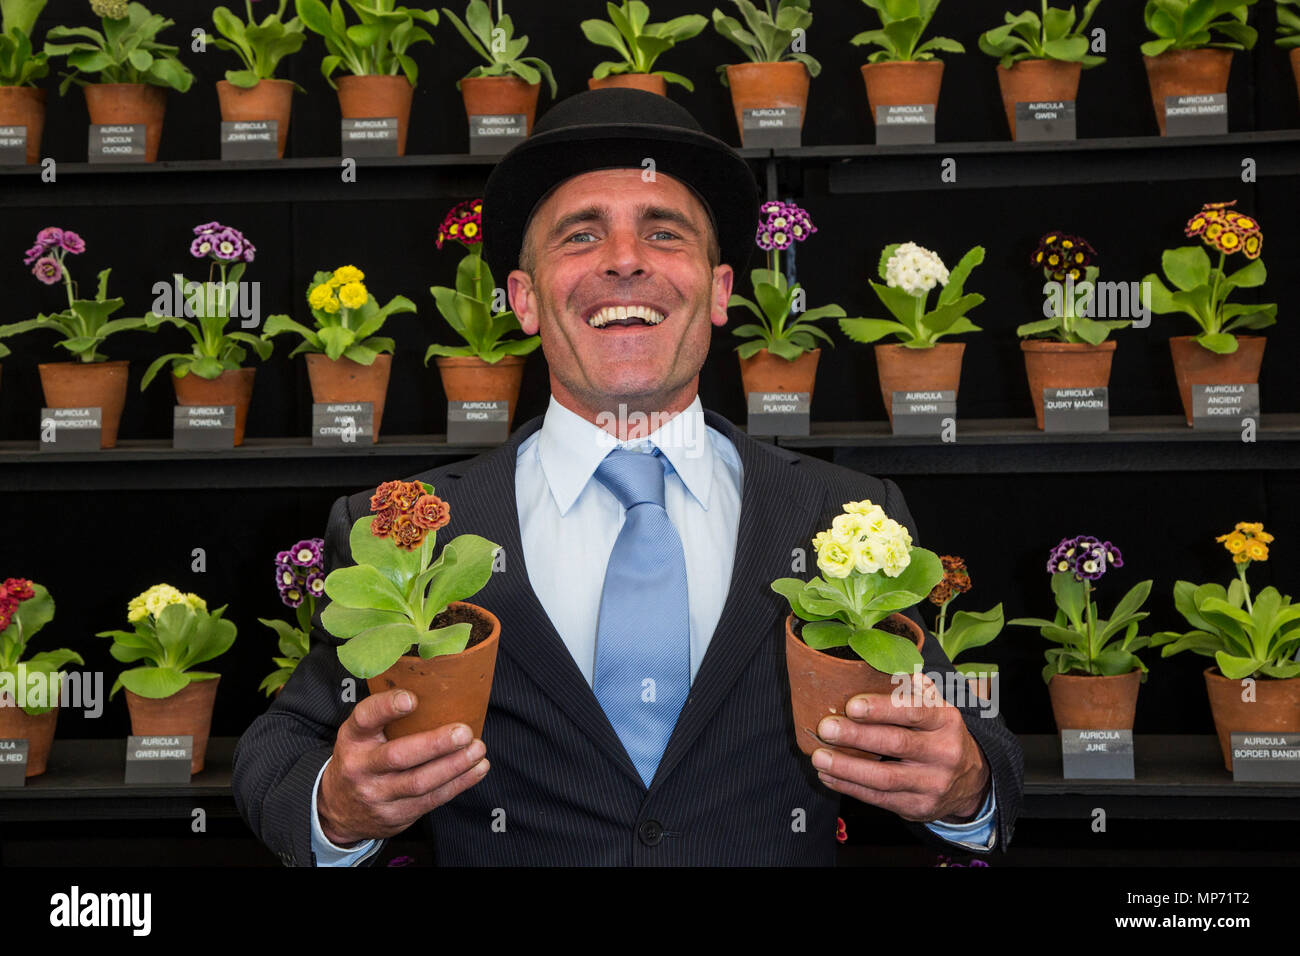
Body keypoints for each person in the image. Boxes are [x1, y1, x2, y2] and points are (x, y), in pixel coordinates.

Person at [232, 89, 1023, 866]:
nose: (623, 259)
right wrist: (335, 805)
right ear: (525, 299)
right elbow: (285, 745)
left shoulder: (842, 516)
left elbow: (956, 732)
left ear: (718, 293)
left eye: (664, 232)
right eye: (580, 236)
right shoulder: (407, 526)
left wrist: (966, 786)